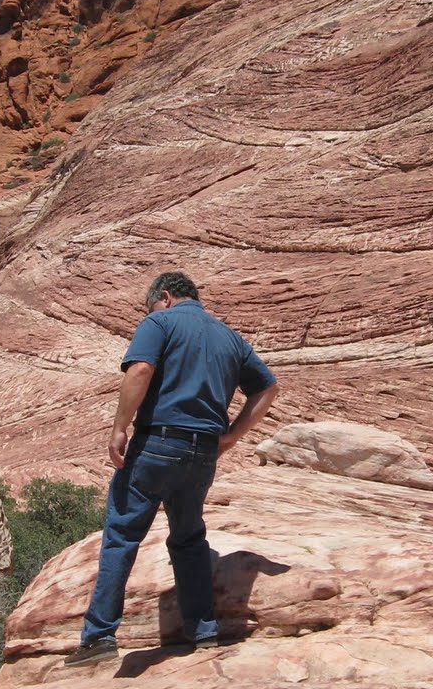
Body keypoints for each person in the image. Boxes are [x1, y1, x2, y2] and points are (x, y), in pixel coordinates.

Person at [68, 271, 279, 667]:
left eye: (150, 306)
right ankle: (202, 631)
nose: (149, 313)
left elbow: (141, 371)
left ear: (164, 297)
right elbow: (268, 388)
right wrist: (231, 436)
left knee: (122, 535)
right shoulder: (230, 338)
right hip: (202, 454)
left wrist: (119, 428)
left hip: (158, 445)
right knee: (188, 539)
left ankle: (98, 637)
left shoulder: (159, 322)